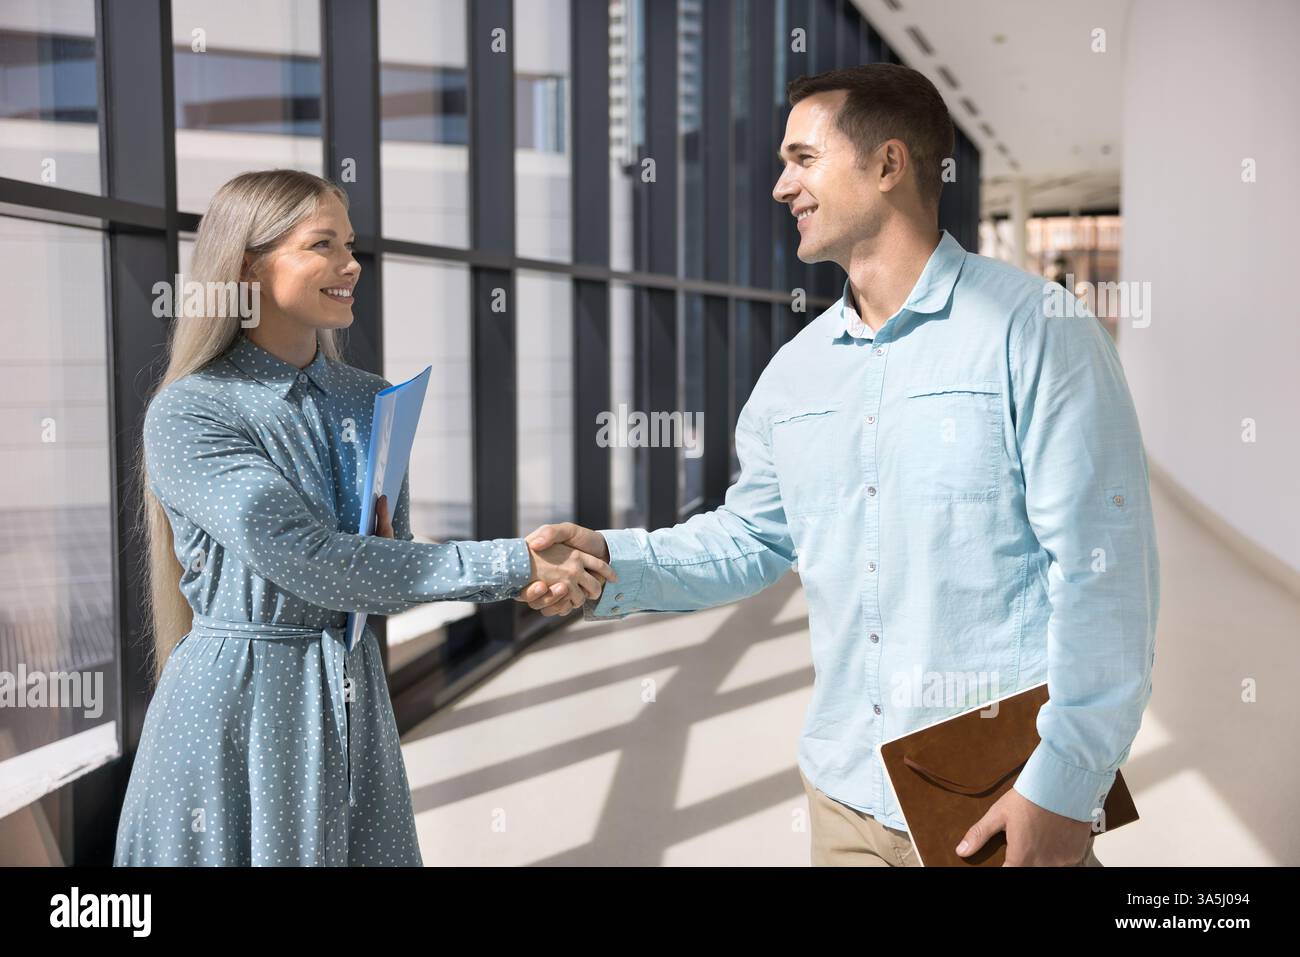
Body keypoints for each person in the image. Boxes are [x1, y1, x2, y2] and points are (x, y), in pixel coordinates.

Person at [520, 64, 1159, 867]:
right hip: (844, 796)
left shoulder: (1036, 332)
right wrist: (615, 559)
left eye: (803, 159)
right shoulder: (797, 372)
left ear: (888, 165)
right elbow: (752, 536)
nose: (781, 186)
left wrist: (1066, 786)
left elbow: (1104, 578)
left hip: (999, 797)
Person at [114, 169, 614, 866]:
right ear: (249, 266)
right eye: (323, 245)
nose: (351, 266)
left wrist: (402, 562)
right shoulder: (192, 411)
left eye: (348, 245)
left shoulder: (371, 399)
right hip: (235, 709)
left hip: (351, 694)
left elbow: (382, 563)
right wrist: (515, 565)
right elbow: (307, 558)